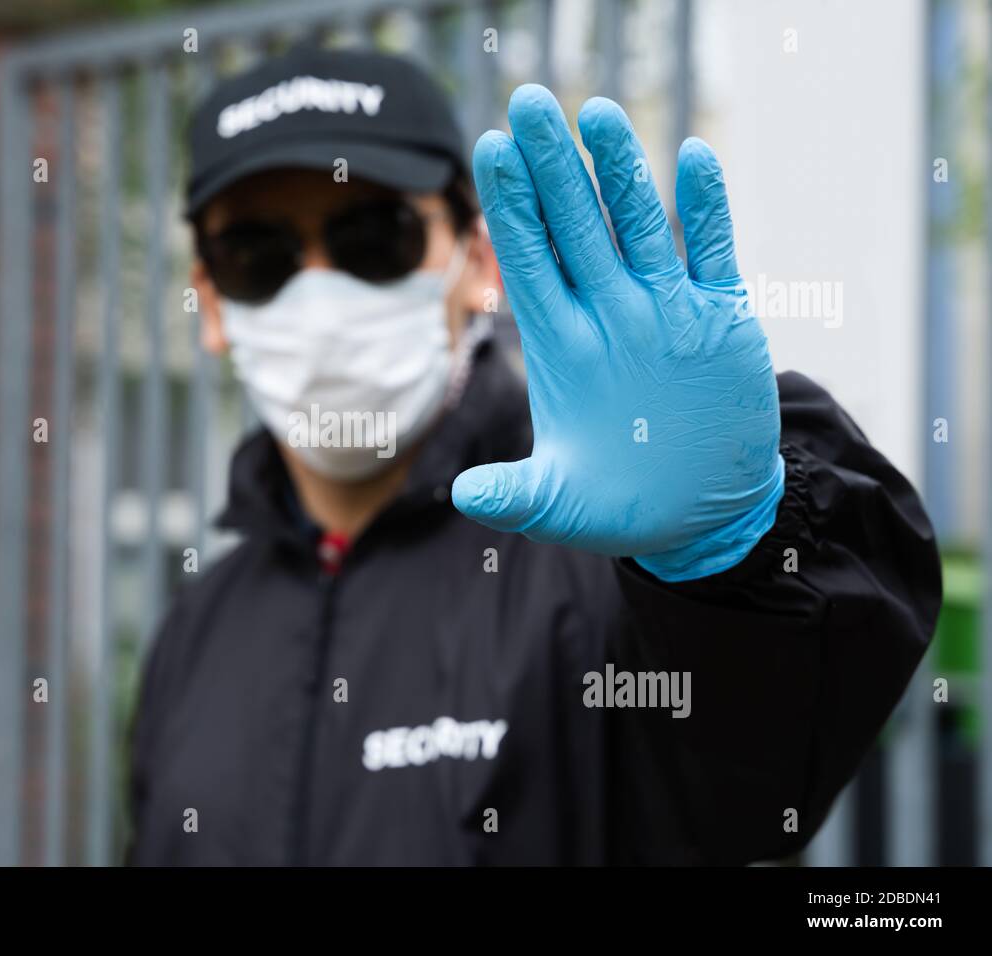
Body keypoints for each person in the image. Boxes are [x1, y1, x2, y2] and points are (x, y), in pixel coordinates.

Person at [125, 46, 941, 865]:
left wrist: (735, 551)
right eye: (258, 256)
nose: (318, 291)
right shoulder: (195, 632)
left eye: (374, 235)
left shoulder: (610, 564)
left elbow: (772, 764)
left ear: (475, 262)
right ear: (211, 303)